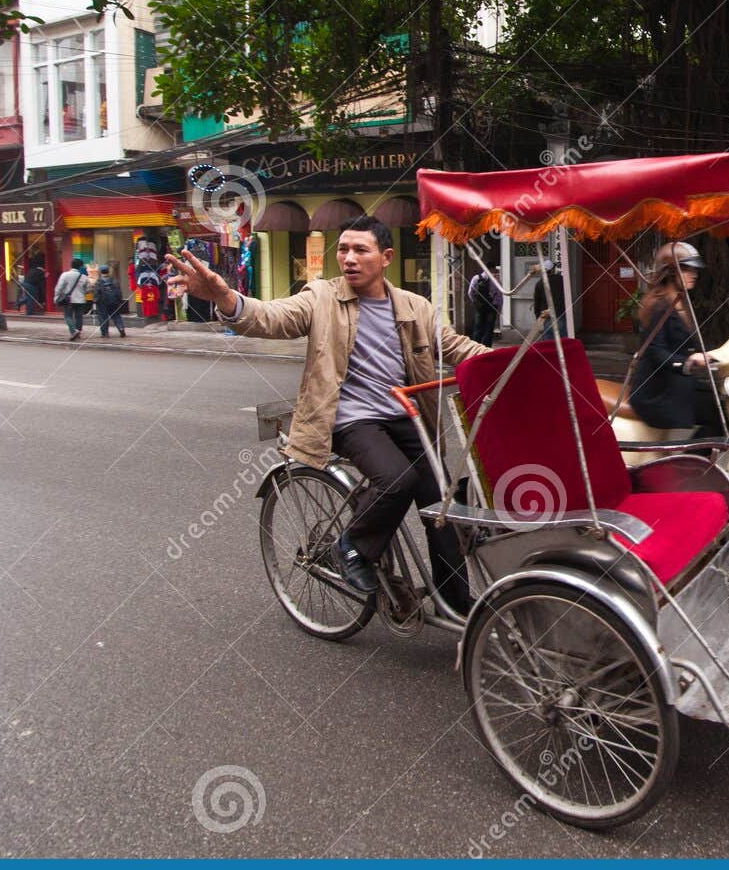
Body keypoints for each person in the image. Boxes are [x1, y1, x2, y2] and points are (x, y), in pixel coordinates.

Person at [165, 215, 489, 608]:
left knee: (442, 505)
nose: (349, 258)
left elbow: (456, 347)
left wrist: (513, 362)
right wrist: (225, 297)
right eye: (344, 249)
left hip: (406, 416)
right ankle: (351, 547)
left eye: (360, 250)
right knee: (396, 480)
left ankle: (455, 600)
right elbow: (271, 318)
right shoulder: (321, 297)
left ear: (386, 257)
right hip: (350, 419)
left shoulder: (414, 306)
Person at [629, 242, 721, 436]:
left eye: (694, 270)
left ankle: (699, 454)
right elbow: (656, 351)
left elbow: (688, 344)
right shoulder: (660, 306)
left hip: (675, 381)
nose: (694, 274)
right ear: (671, 272)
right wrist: (687, 363)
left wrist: (713, 355)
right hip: (657, 390)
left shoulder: (680, 302)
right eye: (686, 269)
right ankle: (696, 456)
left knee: (723, 403)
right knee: (719, 414)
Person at [53, 258, 90, 341]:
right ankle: (78, 333)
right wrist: (82, 292)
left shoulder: (65, 275)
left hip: (68, 300)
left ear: (71, 265)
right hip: (80, 300)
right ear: (80, 266)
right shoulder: (84, 277)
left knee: (68, 316)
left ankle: (73, 331)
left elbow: (59, 287)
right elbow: (88, 289)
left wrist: (56, 297)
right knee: (79, 317)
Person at [466, 266, 502, 346]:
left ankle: (476, 347)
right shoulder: (496, 280)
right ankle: (486, 348)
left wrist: (475, 302)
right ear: (492, 269)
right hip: (492, 307)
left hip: (480, 306)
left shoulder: (476, 278)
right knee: (489, 329)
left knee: (478, 327)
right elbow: (499, 296)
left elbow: (470, 292)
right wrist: (499, 309)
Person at [531, 261, 569, 338]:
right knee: (562, 339)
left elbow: (537, 302)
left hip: (546, 315)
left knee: (549, 339)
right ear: (552, 270)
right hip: (560, 313)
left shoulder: (540, 283)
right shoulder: (561, 280)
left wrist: (537, 316)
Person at [94, 264, 127, 338]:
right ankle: (121, 328)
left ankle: (105, 333)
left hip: (102, 303)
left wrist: (95, 301)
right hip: (114, 301)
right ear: (108, 271)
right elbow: (118, 291)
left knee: (103, 317)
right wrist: (120, 300)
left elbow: (96, 293)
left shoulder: (99, 281)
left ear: (100, 271)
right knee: (116, 315)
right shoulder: (114, 280)